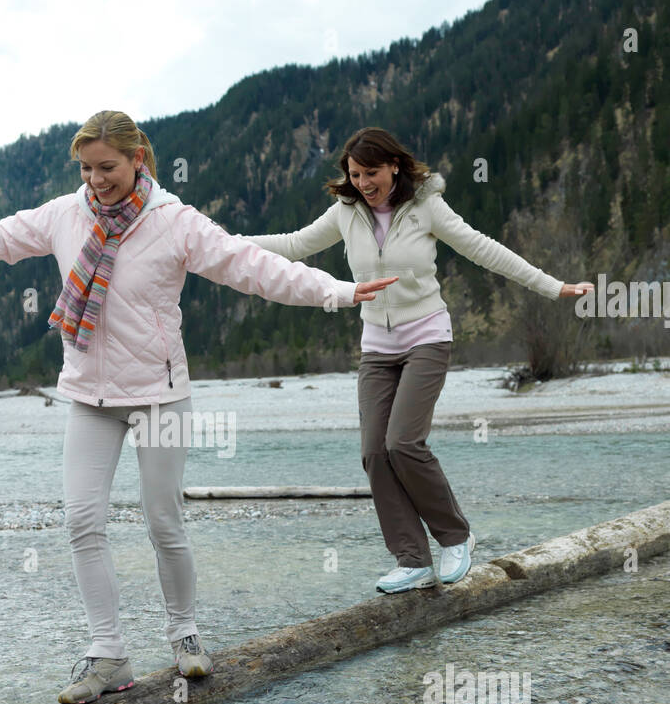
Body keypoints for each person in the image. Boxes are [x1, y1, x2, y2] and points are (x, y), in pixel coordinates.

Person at [0, 110, 395, 703]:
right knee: (81, 521)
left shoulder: (174, 222)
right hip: (89, 395)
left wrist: (335, 291)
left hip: (160, 396)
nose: (96, 180)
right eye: (86, 168)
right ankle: (107, 654)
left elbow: (251, 267)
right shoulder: (66, 214)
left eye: (107, 167)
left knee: (163, 520)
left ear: (138, 161)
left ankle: (184, 634)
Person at [247, 126, 594, 594]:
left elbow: (484, 250)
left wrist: (554, 286)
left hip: (427, 338)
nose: (364, 183)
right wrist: (220, 242)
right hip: (376, 348)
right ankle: (412, 559)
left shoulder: (427, 206)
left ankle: (456, 537)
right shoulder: (345, 212)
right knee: (374, 452)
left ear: (394, 166)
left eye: (371, 173)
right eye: (355, 175)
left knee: (403, 444)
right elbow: (292, 245)